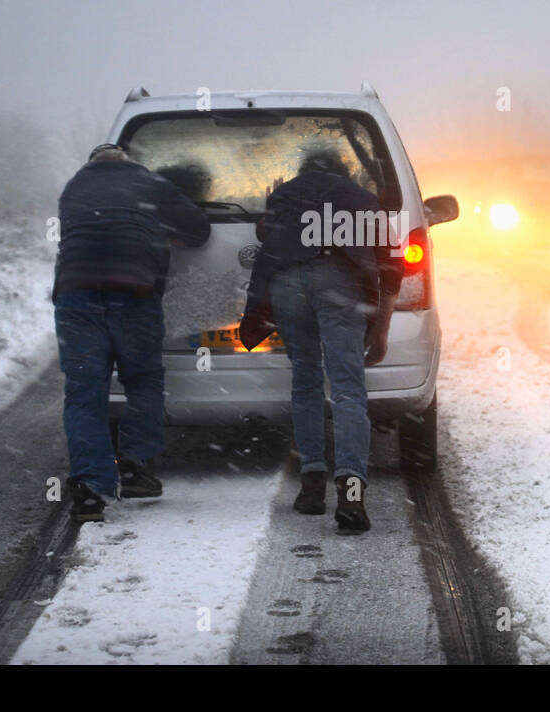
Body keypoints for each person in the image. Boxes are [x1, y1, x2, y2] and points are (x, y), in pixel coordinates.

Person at [239, 148, 402, 533]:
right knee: (347, 386)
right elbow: (389, 265)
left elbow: (268, 237)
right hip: (337, 282)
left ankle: (312, 484)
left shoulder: (286, 194)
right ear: (346, 172)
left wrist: (274, 202)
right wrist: (380, 330)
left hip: (286, 285)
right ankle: (350, 491)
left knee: (306, 381)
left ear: (303, 170)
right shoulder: (360, 199)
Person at [53, 143, 210, 522]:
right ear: (127, 161)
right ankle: (135, 467)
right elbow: (199, 230)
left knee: (84, 392)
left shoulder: (73, 187)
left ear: (91, 164)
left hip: (77, 295)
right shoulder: (147, 181)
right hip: (133, 292)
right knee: (141, 380)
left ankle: (90, 489)